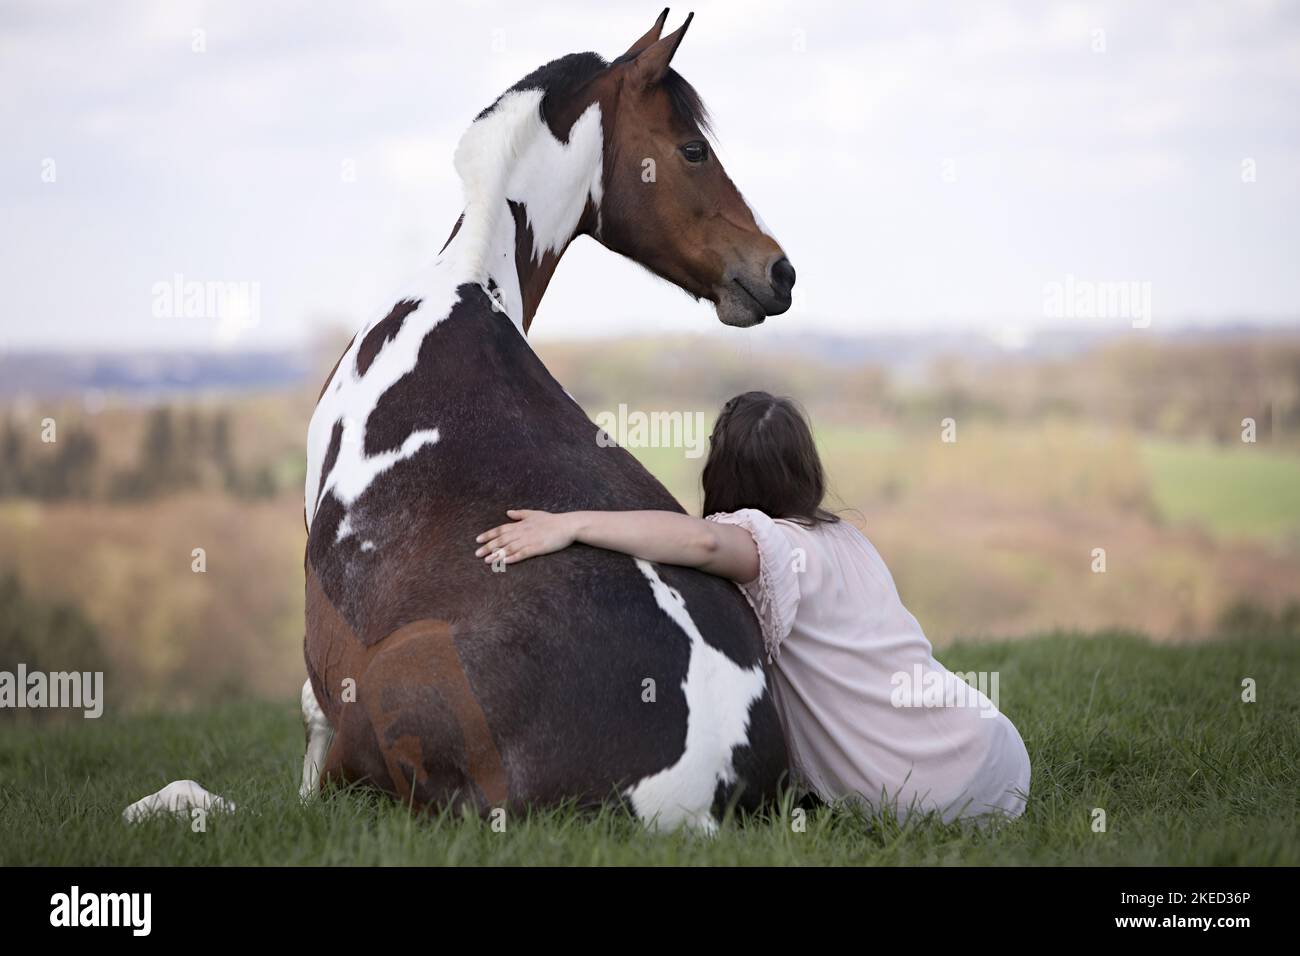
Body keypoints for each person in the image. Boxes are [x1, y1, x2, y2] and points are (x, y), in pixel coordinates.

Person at [474, 391, 1030, 823]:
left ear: (726, 470)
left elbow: (704, 543)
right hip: (994, 751)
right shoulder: (847, 539)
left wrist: (571, 524)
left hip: (920, 791)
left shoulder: (771, 545)